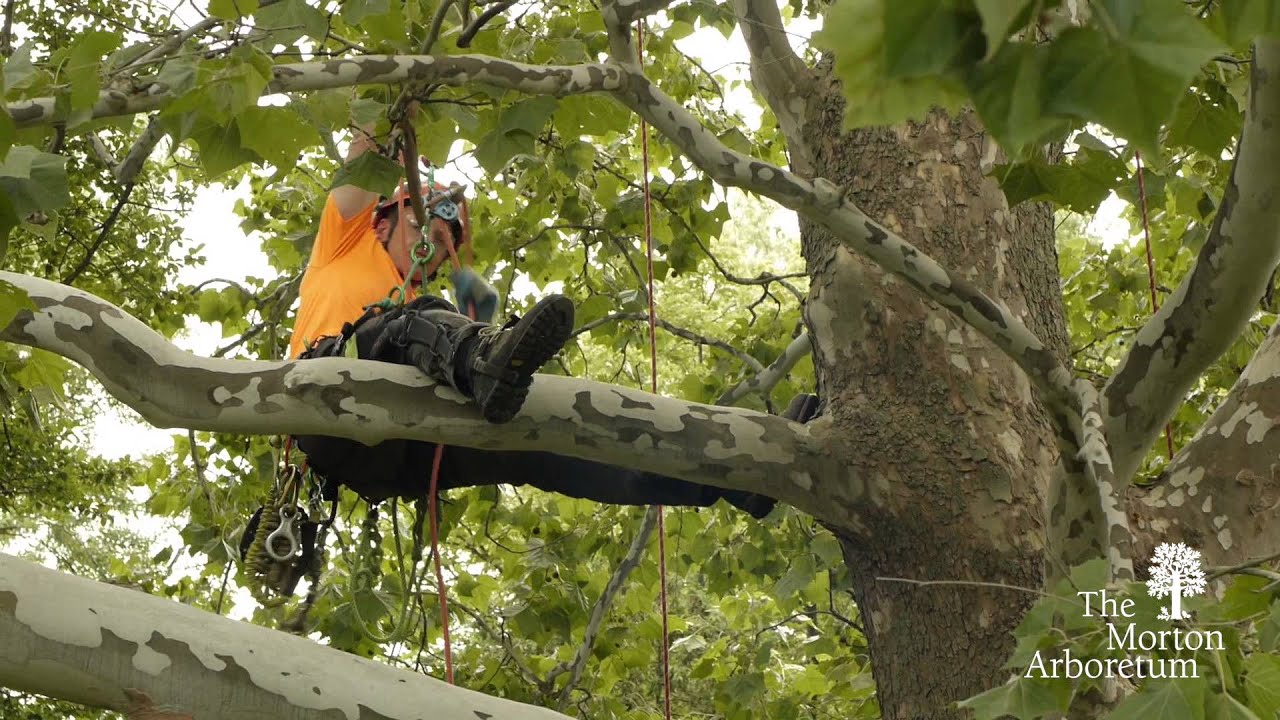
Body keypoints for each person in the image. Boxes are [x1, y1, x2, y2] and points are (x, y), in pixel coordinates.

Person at [290, 123, 778, 518]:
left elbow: (460, 305)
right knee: (405, 320)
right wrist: (401, 101)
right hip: (329, 398)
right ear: (381, 222)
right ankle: (482, 360)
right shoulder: (344, 245)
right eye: (422, 229)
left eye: (443, 245)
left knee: (545, 444)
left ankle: (732, 477)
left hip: (399, 447)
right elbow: (363, 155)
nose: (433, 249)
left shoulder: (428, 307)